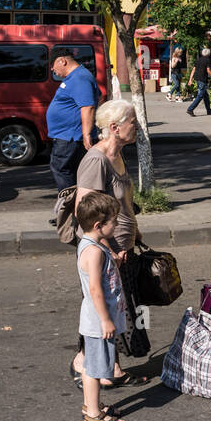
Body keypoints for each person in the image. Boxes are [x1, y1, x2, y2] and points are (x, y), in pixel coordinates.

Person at [69, 98, 151, 391]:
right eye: (132, 121)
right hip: (107, 254)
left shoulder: (117, 155)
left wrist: (134, 232)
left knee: (119, 307)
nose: (137, 126)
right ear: (115, 128)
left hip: (122, 248)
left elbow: (122, 202)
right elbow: (86, 212)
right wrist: (110, 250)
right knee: (104, 308)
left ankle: (111, 368)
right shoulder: (96, 159)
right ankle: (84, 362)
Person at [76, 190, 129, 421]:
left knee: (93, 366)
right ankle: (93, 414)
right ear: (99, 225)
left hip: (95, 319)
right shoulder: (94, 251)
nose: (116, 225)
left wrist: (114, 259)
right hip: (99, 321)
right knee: (96, 369)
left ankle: (91, 405)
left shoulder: (91, 245)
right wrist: (106, 321)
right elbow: (96, 289)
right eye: (114, 222)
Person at [46, 50, 100, 191]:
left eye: (52, 65)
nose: (52, 69)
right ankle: (77, 207)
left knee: (62, 169)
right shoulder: (75, 77)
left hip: (70, 137)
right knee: (72, 171)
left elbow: (87, 106)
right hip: (68, 135)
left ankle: (70, 205)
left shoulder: (79, 78)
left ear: (62, 61)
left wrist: (86, 134)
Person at [185, 46, 211, 117]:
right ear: (208, 54)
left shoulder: (199, 59)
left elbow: (193, 70)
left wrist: (190, 80)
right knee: (200, 96)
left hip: (198, 79)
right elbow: (208, 71)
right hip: (202, 79)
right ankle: (190, 109)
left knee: (205, 95)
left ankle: (208, 110)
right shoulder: (207, 60)